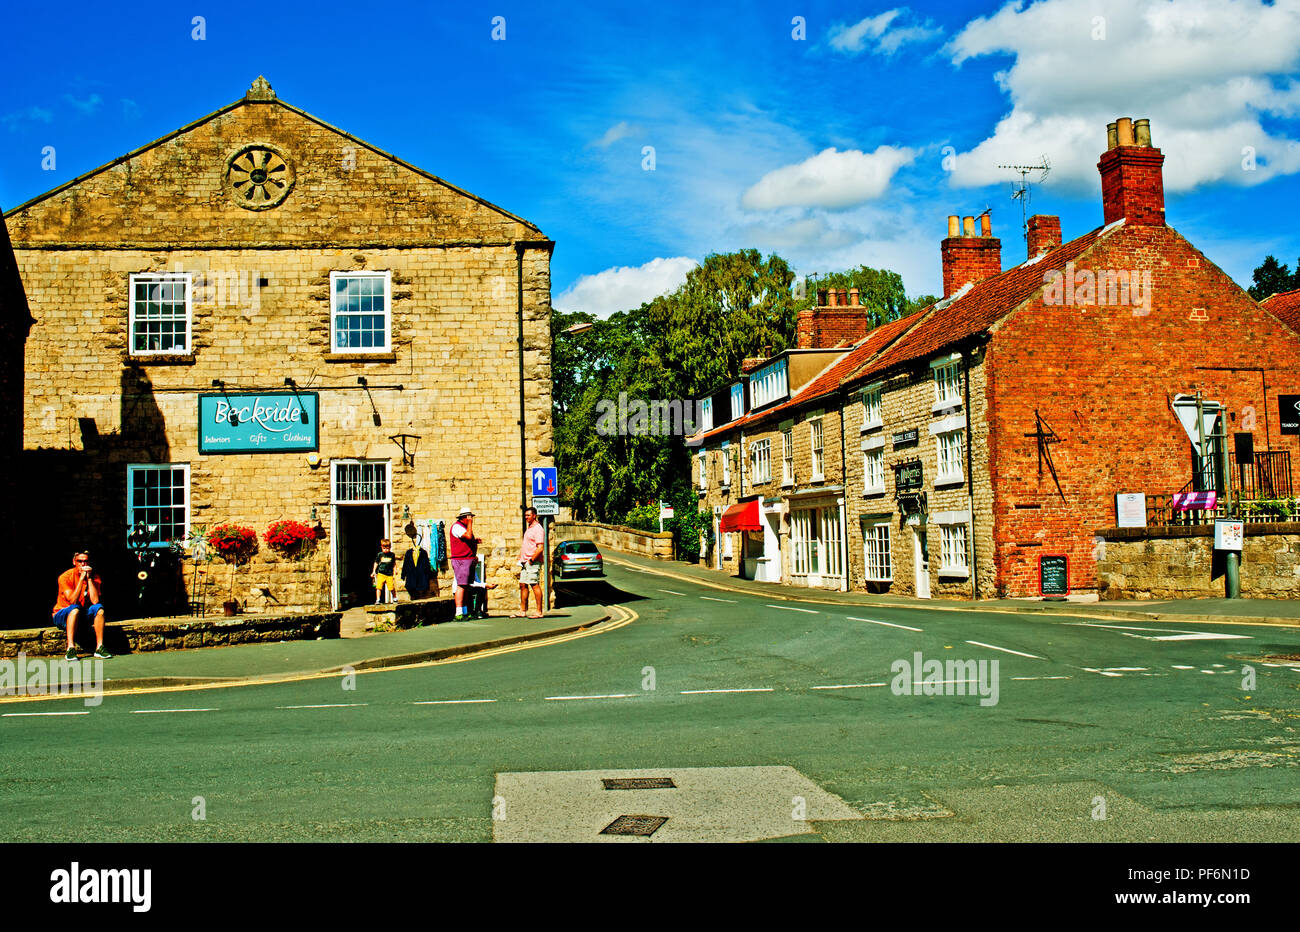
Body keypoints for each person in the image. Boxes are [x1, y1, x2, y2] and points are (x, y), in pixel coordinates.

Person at [52, 551, 112, 660]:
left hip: (81, 613)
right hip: (63, 613)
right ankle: (70, 648)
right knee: (74, 609)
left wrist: (89, 579)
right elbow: (73, 601)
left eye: (85, 561)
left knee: (99, 609)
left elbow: (95, 601)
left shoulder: (95, 577)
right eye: (80, 561)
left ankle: (100, 647)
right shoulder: (65, 577)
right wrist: (81, 579)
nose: (83, 564)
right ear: (74, 562)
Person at [513, 506, 546, 619]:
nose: (526, 517)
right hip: (524, 562)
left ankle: (539, 612)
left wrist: (531, 560)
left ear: (534, 515)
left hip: (532, 562)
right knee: (523, 585)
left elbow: (540, 548)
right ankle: (523, 611)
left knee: (534, 584)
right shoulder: (530, 527)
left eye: (528, 515)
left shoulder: (538, 529)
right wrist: (521, 557)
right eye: (525, 515)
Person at [449, 506, 479, 618]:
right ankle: (459, 612)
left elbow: (468, 539)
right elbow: (468, 535)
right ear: (465, 518)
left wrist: (475, 542)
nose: (471, 519)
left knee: (466, 585)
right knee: (461, 585)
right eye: (470, 517)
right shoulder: (457, 527)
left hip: (467, 559)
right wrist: (470, 523)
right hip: (461, 560)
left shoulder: (464, 527)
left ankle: (465, 610)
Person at [371, 539, 398, 604]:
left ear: (390, 547)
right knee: (378, 587)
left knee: (391, 587)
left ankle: (394, 598)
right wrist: (373, 571)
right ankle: (378, 599)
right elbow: (376, 563)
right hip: (381, 573)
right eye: (384, 548)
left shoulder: (392, 555)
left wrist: (395, 570)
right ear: (381, 547)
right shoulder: (380, 555)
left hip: (389, 574)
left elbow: (394, 563)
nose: (386, 550)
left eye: (387, 548)